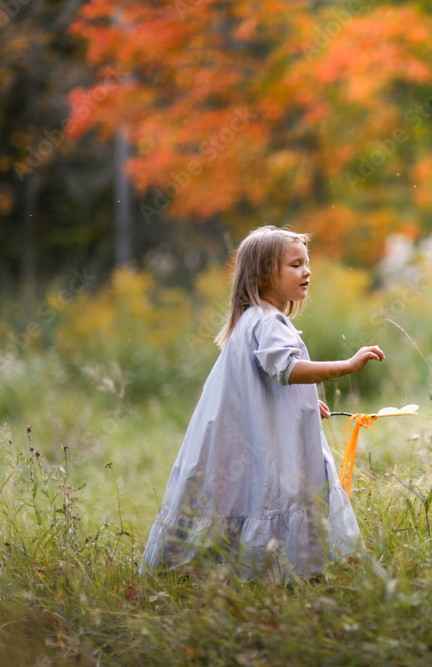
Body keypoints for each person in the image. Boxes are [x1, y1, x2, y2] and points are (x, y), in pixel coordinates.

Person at [140, 226, 384, 580]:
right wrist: (347, 365)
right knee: (271, 492)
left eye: (307, 263)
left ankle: (219, 572)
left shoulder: (252, 320)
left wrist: (301, 402)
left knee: (237, 497)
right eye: (295, 265)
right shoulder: (268, 321)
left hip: (240, 434)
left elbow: (264, 381)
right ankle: (282, 572)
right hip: (255, 441)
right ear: (263, 274)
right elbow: (285, 368)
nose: (307, 272)